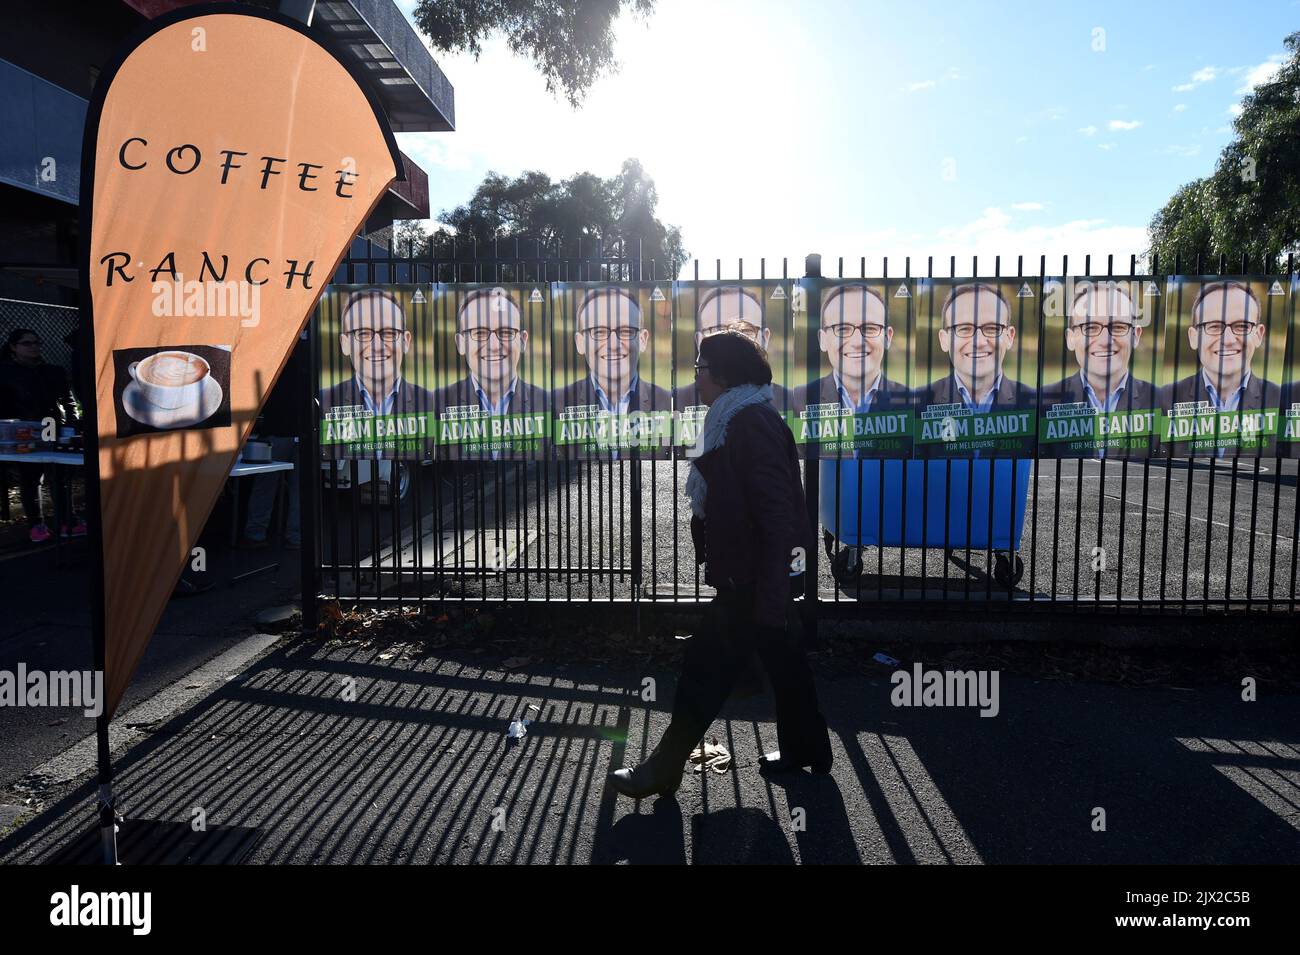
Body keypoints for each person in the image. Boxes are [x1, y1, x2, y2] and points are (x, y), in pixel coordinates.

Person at [608, 332, 831, 799]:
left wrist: (770, 594)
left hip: (751, 579)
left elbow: (777, 516)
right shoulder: (736, 417)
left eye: (701, 368)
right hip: (753, 575)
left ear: (725, 375)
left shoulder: (749, 423)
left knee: (702, 674)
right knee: (785, 661)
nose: (696, 377)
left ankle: (663, 770)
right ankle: (807, 748)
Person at [1040, 282, 1158, 458]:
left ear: (1135, 335)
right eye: (1090, 328)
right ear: (1070, 338)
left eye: (1118, 327)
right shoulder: (1041, 404)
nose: (1105, 341)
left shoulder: (1161, 402)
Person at [1163, 280, 1281, 457]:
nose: (1228, 339)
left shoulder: (1281, 401)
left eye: (1241, 326)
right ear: (1193, 337)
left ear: (1258, 335)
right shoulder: (1163, 400)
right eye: (1214, 326)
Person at [552, 286, 671, 458]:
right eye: (599, 332)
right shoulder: (555, 406)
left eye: (626, 331)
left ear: (643, 339)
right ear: (580, 342)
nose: (613, 345)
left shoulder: (669, 404)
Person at [432, 286, 548, 460]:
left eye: (506, 332)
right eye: (479, 333)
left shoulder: (549, 403)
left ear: (523, 341)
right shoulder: (435, 404)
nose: (494, 346)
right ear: (460, 343)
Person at [319, 288, 437, 457]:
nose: (377, 347)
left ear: (406, 341)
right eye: (363, 333)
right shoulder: (323, 404)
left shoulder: (433, 404)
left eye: (389, 333)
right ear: (345, 343)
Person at [0, 327, 83, 542]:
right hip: (24, 433)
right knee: (31, 478)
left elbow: (68, 399)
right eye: (27, 343)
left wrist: (72, 421)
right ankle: (36, 525)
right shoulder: (5, 372)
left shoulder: (54, 371)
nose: (34, 347)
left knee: (62, 477)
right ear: (13, 347)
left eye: (37, 342)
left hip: (56, 429)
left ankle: (68, 521)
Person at [791, 282, 911, 416]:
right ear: (823, 340)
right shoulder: (797, 402)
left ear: (887, 338)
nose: (857, 342)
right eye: (842, 329)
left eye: (870, 328)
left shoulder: (912, 403)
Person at [919, 282, 1036, 411]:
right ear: (944, 339)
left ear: (1010, 337)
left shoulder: (1035, 403)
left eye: (992, 328)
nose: (979, 342)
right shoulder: (917, 404)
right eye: (964, 329)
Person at [674, 286, 794, 411]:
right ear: (699, 342)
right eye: (717, 330)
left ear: (765, 339)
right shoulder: (675, 402)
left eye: (745, 330)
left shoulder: (793, 402)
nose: (731, 342)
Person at [239, 343, 303, 550]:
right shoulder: (306, 365)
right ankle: (296, 536)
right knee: (299, 489)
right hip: (302, 433)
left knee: (265, 485)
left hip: (276, 434)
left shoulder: (272, 367)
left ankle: (255, 533)